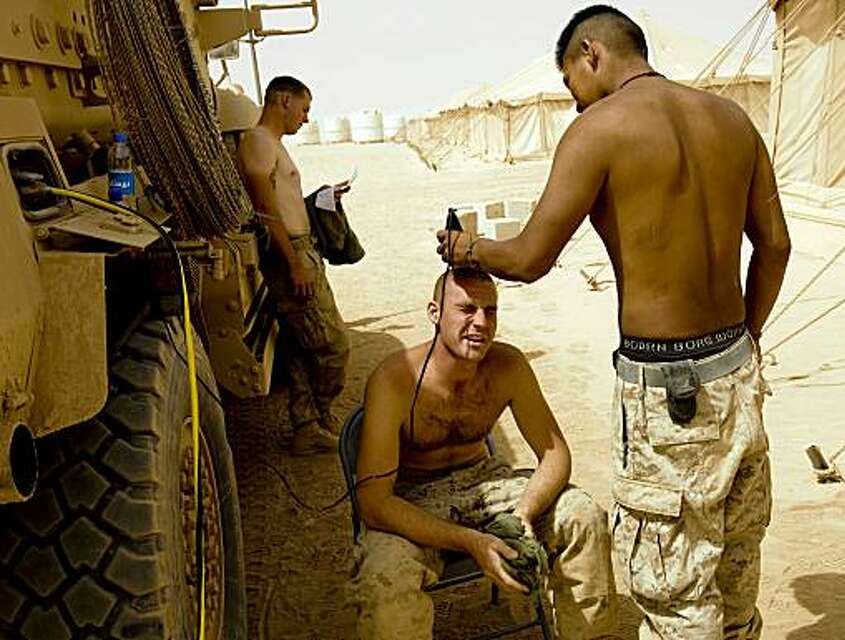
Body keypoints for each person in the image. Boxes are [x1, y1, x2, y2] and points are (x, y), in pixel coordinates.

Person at [437, 6, 791, 639]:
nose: (576, 100)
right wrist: (750, 337)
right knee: (734, 564)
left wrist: (468, 249)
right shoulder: (733, 119)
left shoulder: (597, 130)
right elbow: (776, 246)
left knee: (674, 588)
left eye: (571, 83)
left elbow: (528, 258)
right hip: (737, 369)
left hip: (668, 391)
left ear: (590, 54)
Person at [348, 267, 616, 640]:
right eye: (467, 309)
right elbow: (374, 503)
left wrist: (523, 515)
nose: (481, 323)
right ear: (434, 313)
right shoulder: (394, 378)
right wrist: (470, 541)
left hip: (486, 483)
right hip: (413, 498)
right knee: (384, 576)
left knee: (584, 516)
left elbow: (555, 454)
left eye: (490, 311)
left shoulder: (508, 365)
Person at [237, 76, 350, 454]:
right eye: (304, 109)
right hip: (292, 253)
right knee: (334, 345)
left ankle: (307, 428)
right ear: (283, 100)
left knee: (301, 347)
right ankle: (320, 411)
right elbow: (265, 209)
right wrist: (294, 263)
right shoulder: (259, 141)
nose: (306, 118)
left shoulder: (271, 144)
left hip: (300, 248)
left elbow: (282, 202)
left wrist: (322, 198)